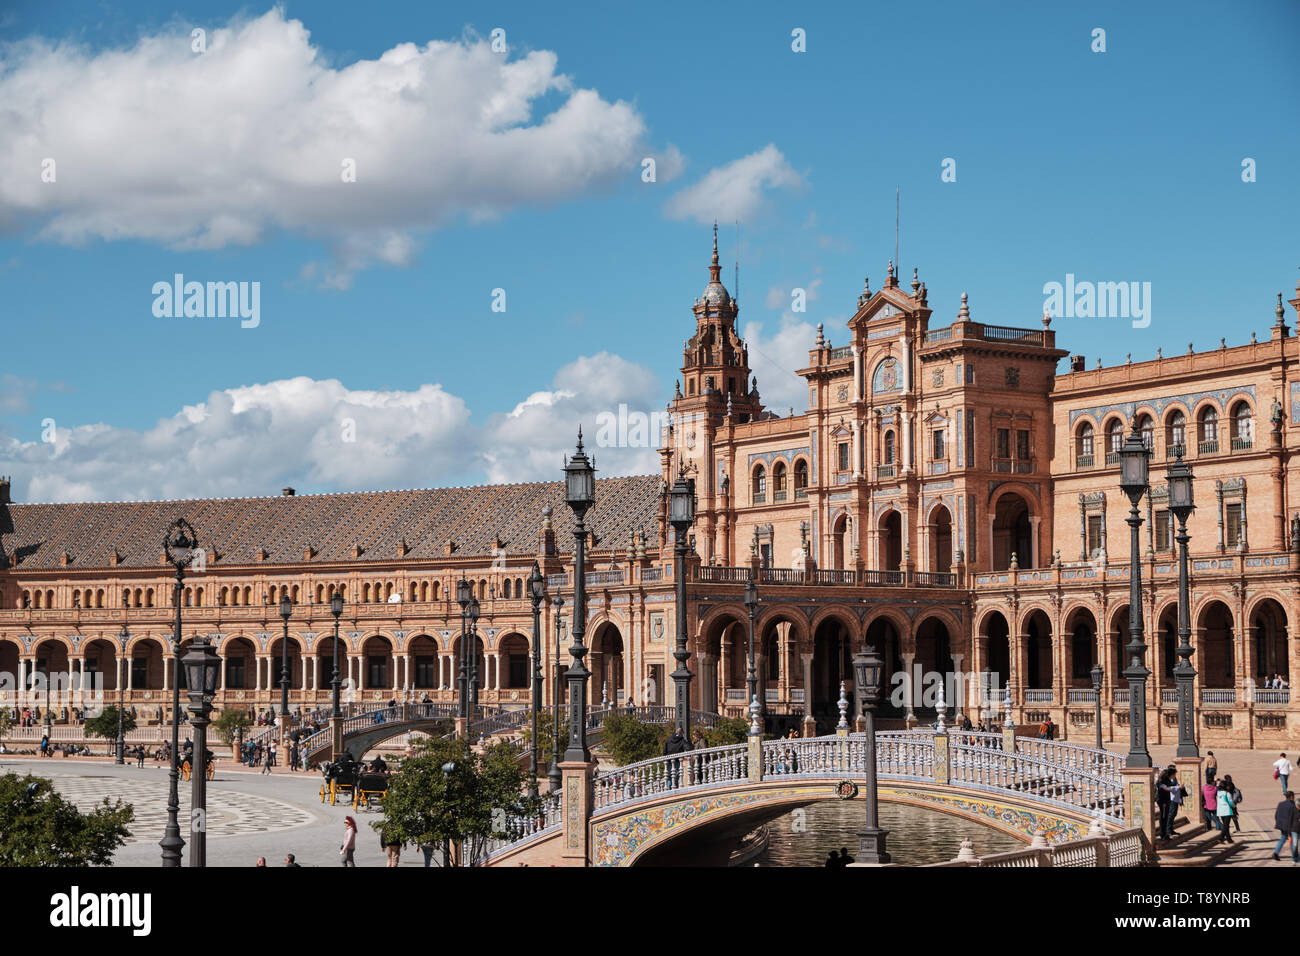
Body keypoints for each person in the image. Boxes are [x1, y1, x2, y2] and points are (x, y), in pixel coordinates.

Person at [1273, 791, 1300, 863]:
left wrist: (1278, 823)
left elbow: (1276, 815)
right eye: (1293, 796)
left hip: (1281, 825)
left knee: (1284, 838)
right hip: (1289, 826)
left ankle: (1276, 852)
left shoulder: (1280, 804)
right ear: (1291, 797)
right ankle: (1295, 855)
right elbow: (1293, 817)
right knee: (1292, 839)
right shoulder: (1292, 805)